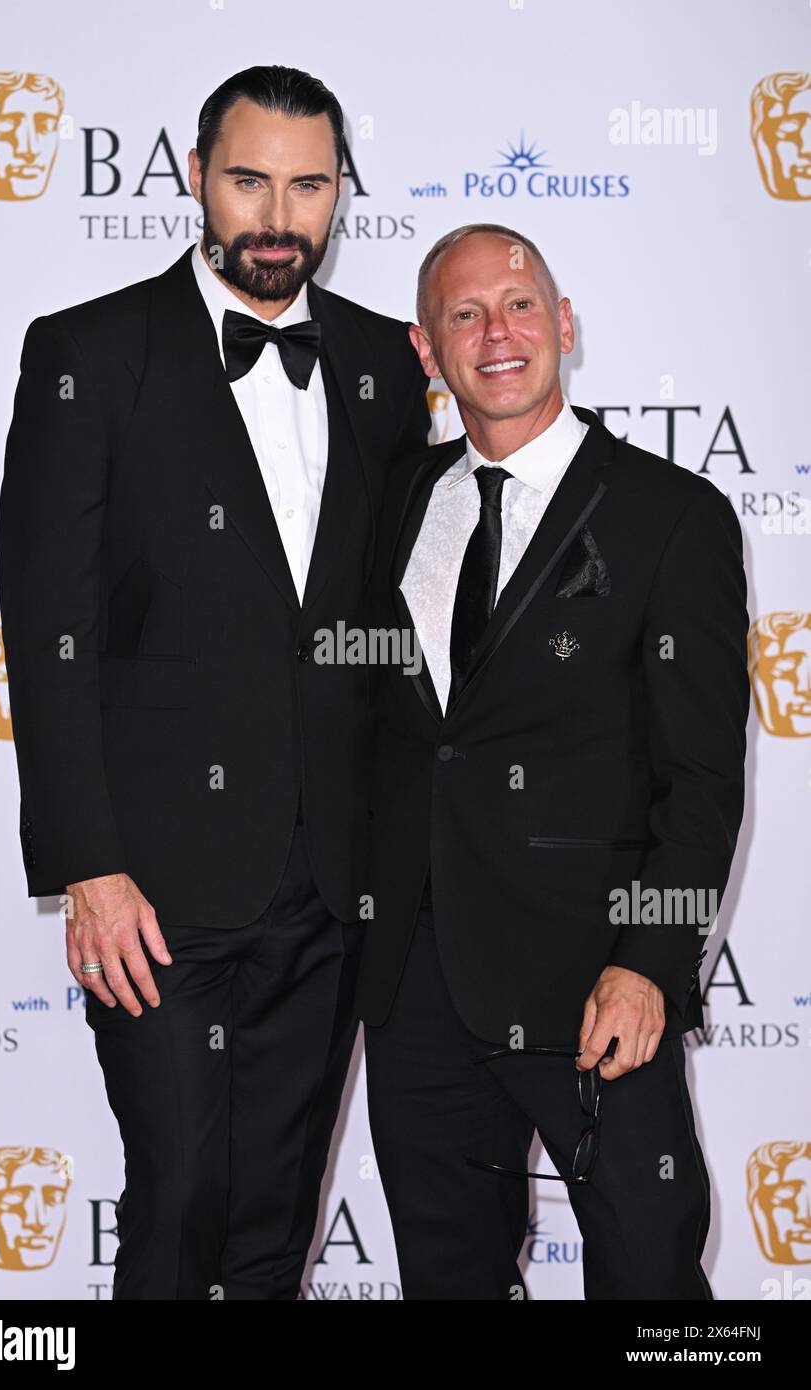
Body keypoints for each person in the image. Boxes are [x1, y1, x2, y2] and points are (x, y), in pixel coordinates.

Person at [0, 64, 429, 1300]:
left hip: (326, 879)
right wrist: (88, 863)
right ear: (196, 178)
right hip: (154, 885)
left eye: (307, 185)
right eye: (248, 182)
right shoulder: (88, 353)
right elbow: (49, 626)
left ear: (341, 189)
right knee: (180, 1189)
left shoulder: (378, 366)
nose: (277, 217)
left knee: (272, 1210)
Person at [357, 222, 749, 1299]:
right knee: (448, 1275)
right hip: (418, 987)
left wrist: (651, 964)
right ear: (426, 350)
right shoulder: (391, 503)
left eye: (520, 305)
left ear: (563, 325)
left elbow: (703, 780)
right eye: (463, 314)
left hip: (595, 978)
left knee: (646, 1275)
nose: (497, 333)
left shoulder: (672, 516)